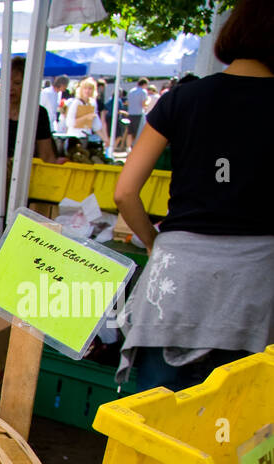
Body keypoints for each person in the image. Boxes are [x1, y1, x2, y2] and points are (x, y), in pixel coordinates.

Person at [112, 0, 273, 392]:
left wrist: (153, 242)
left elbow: (125, 192)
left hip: (177, 270)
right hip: (255, 281)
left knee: (155, 406)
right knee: (234, 414)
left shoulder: (181, 99)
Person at [5, 58, 59, 162]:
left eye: (17, 83)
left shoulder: (39, 114)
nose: (11, 87)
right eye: (7, 82)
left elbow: (46, 155)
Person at [123, 77, 148, 149]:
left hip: (130, 114)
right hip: (139, 114)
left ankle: (128, 149)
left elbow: (127, 102)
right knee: (139, 133)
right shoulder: (143, 92)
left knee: (130, 132)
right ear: (144, 84)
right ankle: (136, 148)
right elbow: (143, 104)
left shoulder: (131, 91)